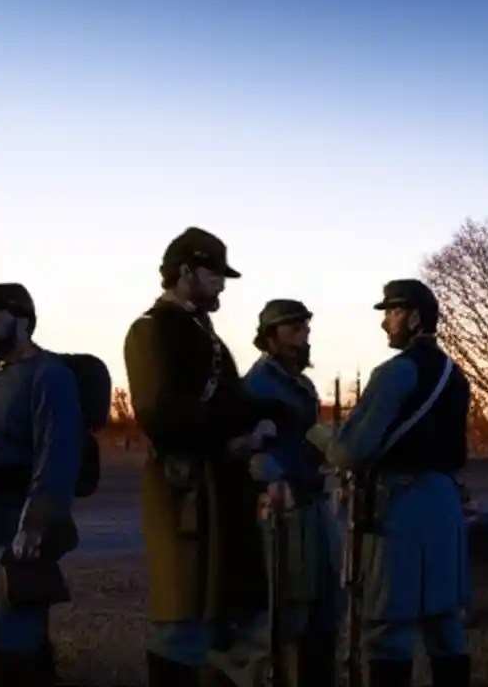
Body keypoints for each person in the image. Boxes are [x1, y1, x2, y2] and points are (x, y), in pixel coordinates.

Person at [124, 227, 283, 687]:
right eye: (214, 272)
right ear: (186, 271)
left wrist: (268, 418)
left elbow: (230, 400)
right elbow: (159, 412)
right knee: (183, 624)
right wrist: (229, 439)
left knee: (231, 622)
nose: (222, 284)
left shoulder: (205, 335)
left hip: (224, 493)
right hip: (186, 494)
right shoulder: (151, 331)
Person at [306, 279, 472, 687]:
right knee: (445, 625)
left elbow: (351, 451)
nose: (385, 323)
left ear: (414, 317)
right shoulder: (457, 377)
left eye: (392, 313)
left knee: (389, 629)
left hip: (399, 507)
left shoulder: (395, 373)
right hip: (444, 503)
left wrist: (313, 432)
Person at [0, 283, 83, 684]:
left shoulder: (48, 374)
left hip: (18, 525)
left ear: (21, 319)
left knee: (12, 641)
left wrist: (35, 524)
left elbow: (58, 453)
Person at [242, 300, 341, 687]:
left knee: (325, 610)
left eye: (306, 330)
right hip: (284, 511)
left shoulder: (302, 383)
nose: (304, 338)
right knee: (288, 615)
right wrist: (271, 478)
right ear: (270, 338)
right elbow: (252, 450)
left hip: (314, 502)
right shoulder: (257, 386)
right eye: (294, 330)